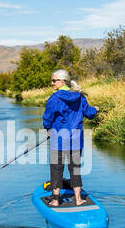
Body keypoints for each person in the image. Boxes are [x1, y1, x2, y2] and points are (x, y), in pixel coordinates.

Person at [41, 69, 97, 206]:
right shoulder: (79, 97)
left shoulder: (54, 99)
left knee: (56, 169)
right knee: (75, 169)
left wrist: (48, 129)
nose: (52, 83)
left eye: (54, 80)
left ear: (63, 81)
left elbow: (47, 118)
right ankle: (78, 199)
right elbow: (90, 113)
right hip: (76, 141)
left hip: (58, 141)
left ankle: (55, 200)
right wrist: (96, 109)